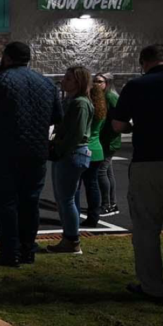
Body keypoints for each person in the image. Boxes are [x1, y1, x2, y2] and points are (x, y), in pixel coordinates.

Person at [0, 42, 62, 266]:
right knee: (30, 203)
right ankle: (27, 249)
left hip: (4, 151)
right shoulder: (46, 83)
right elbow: (56, 117)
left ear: (7, 58)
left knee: (7, 204)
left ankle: (10, 252)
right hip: (36, 152)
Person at [111, 44, 163, 300]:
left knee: (146, 227)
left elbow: (118, 125)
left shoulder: (137, 86)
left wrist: (135, 126)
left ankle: (153, 286)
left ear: (144, 62)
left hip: (149, 161)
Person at [47, 66, 94, 254]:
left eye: (68, 79)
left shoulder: (80, 103)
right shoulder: (72, 101)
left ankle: (72, 240)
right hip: (70, 153)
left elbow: (76, 134)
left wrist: (58, 149)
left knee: (66, 199)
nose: (63, 81)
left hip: (72, 153)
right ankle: (69, 238)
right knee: (66, 198)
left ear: (78, 82)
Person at [75, 80, 108, 228]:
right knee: (92, 185)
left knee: (76, 185)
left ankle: (74, 216)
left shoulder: (86, 109)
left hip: (84, 149)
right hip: (97, 150)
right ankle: (93, 216)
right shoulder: (101, 111)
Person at [94, 73, 121, 217]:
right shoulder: (103, 97)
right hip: (104, 140)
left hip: (109, 141)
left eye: (100, 81)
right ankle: (112, 204)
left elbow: (118, 118)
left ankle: (106, 205)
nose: (96, 84)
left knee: (101, 171)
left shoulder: (110, 97)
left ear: (107, 83)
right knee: (108, 172)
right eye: (94, 81)